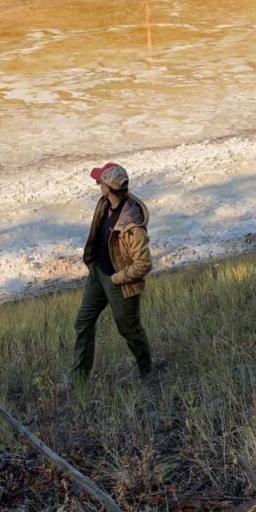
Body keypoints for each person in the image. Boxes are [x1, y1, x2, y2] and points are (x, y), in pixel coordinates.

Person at [70, 162, 159, 385]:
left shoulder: (133, 226)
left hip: (119, 282)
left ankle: (147, 370)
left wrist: (117, 278)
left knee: (129, 329)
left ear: (109, 188)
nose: (97, 183)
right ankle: (79, 377)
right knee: (83, 322)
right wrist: (93, 265)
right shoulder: (104, 204)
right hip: (98, 274)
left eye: (100, 181)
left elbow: (143, 264)